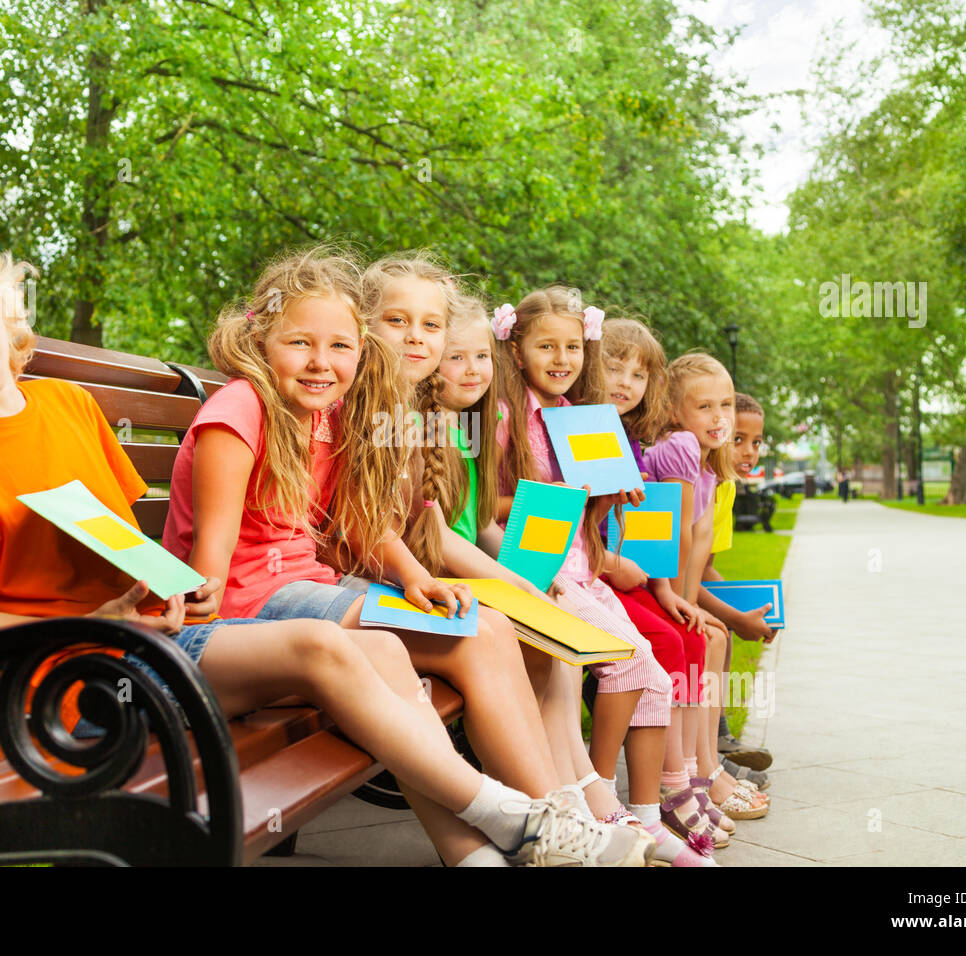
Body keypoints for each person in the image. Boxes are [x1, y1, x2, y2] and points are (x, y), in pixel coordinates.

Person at [0, 224, 639, 868]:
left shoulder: (69, 407)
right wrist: (117, 618)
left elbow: (128, 545)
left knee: (389, 658)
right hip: (69, 685)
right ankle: (512, 815)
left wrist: (158, 593)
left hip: (150, 640)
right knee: (332, 648)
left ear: (0, 302)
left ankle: (483, 856)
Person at [162, 244, 651, 866]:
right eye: (302, 344)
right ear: (262, 338)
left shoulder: (324, 412)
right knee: (470, 638)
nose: (321, 362)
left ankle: (533, 827)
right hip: (260, 605)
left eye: (338, 347)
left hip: (306, 589)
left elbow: (364, 522)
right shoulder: (243, 410)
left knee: (485, 628)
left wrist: (417, 579)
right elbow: (216, 567)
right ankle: (545, 830)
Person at [487, 287, 715, 857]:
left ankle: (645, 814)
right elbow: (489, 508)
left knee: (658, 678)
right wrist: (564, 496)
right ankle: (602, 795)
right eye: (547, 346)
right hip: (542, 571)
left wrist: (613, 497)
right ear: (517, 352)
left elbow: (591, 512)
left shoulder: (578, 419)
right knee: (627, 662)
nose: (562, 359)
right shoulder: (507, 418)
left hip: (584, 566)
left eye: (572, 347)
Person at [640, 354, 770, 834]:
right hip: (648, 579)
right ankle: (688, 775)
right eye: (705, 407)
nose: (720, 418)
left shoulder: (707, 465)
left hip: (674, 586)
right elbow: (672, 538)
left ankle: (705, 766)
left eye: (726, 406)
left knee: (710, 636)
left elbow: (698, 546)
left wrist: (693, 604)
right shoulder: (676, 448)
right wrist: (682, 604)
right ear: (675, 411)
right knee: (702, 638)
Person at [705, 391, 776, 790]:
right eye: (738, 440)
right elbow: (681, 573)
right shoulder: (696, 481)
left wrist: (753, 609)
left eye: (756, 442)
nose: (749, 452)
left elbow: (705, 568)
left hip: (680, 583)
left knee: (724, 627)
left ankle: (716, 732)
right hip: (651, 587)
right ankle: (705, 754)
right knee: (716, 628)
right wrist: (732, 614)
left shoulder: (725, 486)